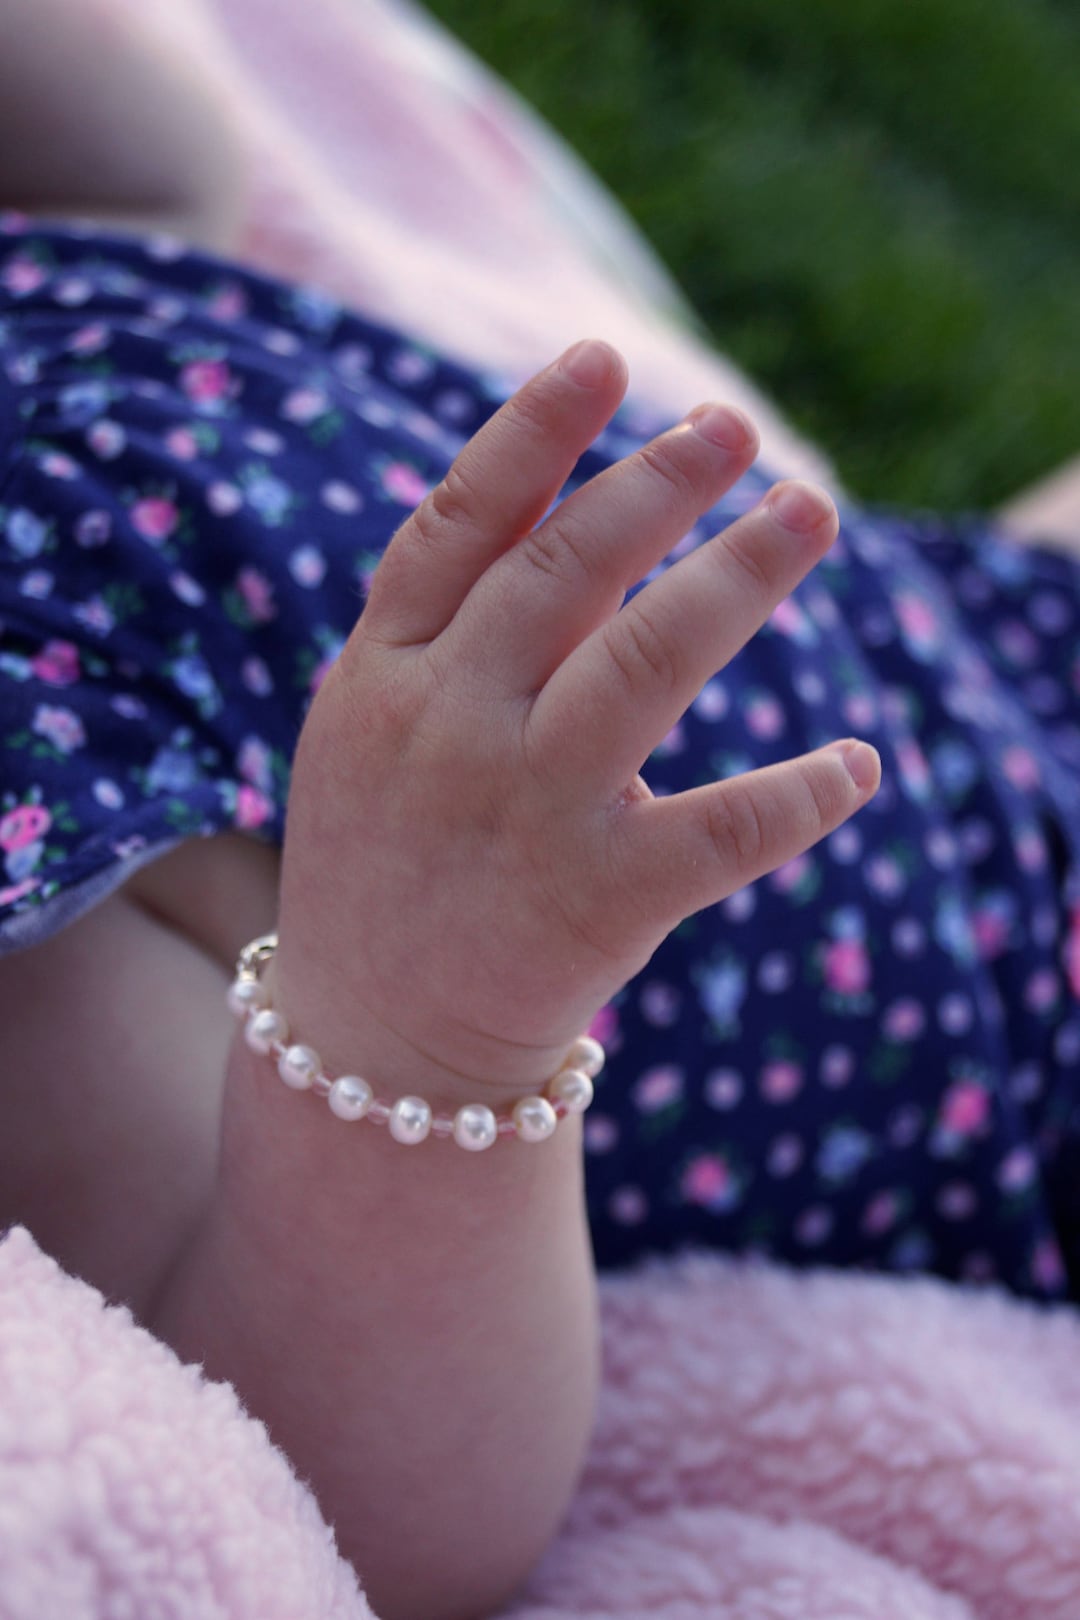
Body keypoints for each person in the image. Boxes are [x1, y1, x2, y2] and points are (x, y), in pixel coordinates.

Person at [1, 6, 1078, 1619]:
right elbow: (358, 1479)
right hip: (1016, 1049)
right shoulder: (46, 881)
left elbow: (165, 174)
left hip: (971, 634)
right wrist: (428, 1029)